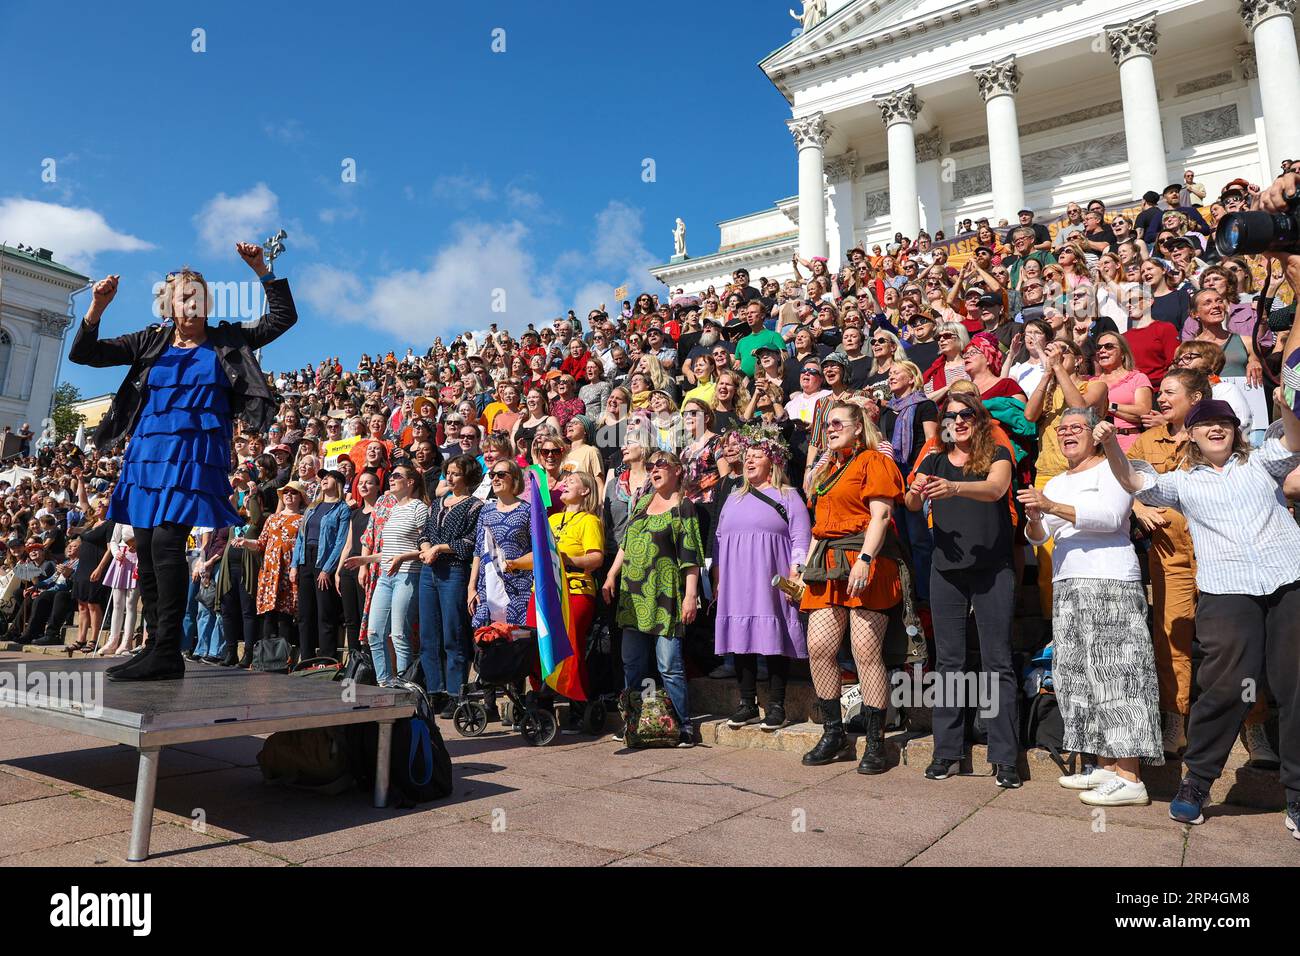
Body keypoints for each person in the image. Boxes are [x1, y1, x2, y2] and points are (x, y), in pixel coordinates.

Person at [69, 242, 295, 680]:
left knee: (168, 544)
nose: (190, 303)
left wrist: (262, 270)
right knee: (148, 551)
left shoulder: (227, 339)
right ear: (168, 304)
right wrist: (97, 307)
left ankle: (168, 648)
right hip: (147, 456)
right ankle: (157, 647)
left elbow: (282, 318)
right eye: (182, 296)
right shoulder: (149, 340)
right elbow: (86, 354)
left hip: (193, 455)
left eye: (197, 296)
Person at [1019, 407, 1163, 806]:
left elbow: (1111, 516)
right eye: (1061, 429)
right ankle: (1104, 766)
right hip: (1068, 580)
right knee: (1080, 676)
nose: (1066, 434)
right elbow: (1039, 536)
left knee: (1119, 675)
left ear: (1094, 434)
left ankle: (1131, 776)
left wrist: (1050, 506)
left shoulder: (1113, 469)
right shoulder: (1061, 480)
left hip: (1109, 578)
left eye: (1075, 428)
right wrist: (1034, 517)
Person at [906, 393, 1020, 788]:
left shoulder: (998, 453)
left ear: (979, 418)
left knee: (997, 662)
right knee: (949, 662)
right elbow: (908, 501)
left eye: (965, 413)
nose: (957, 420)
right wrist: (918, 491)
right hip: (947, 572)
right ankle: (947, 753)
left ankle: (1005, 758)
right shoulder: (934, 459)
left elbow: (994, 490)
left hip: (993, 570)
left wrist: (952, 489)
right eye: (950, 415)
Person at [799, 403, 904, 774]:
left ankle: (876, 742)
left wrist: (866, 558)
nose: (830, 429)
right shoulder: (829, 468)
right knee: (819, 647)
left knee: (865, 650)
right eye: (827, 425)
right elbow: (820, 527)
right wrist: (805, 570)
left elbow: (882, 515)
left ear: (859, 427)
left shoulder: (873, 461)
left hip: (862, 557)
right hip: (827, 562)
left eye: (838, 423)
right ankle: (834, 733)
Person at [1125, 368, 1210, 754]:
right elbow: (1124, 481)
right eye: (1158, 391)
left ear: (1196, 398)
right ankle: (1175, 723)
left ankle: (1252, 723)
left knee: (1230, 644)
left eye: (1169, 392)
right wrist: (1139, 505)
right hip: (1169, 555)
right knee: (1171, 639)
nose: (1160, 398)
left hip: (1217, 554)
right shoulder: (1146, 441)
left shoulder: (1214, 434)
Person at [712, 424, 810, 732]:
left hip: (771, 575)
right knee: (740, 639)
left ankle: (777, 704)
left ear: (773, 463)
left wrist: (796, 573)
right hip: (734, 577)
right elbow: (718, 538)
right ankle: (746, 703)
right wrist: (716, 577)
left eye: (757, 455)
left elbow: (801, 538)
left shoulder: (788, 496)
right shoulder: (732, 496)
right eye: (748, 455)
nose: (750, 460)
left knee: (774, 637)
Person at [603, 450, 703, 748]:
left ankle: (683, 725)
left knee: (668, 664)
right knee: (632, 663)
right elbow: (625, 543)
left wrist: (691, 596)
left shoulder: (683, 506)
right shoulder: (643, 502)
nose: (654, 470)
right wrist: (611, 575)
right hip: (633, 595)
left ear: (677, 471)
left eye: (661, 464)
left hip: (664, 596)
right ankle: (633, 722)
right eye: (651, 466)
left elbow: (691, 554)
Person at [344, 465, 430, 687]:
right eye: (390, 476)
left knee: (400, 634)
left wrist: (402, 558)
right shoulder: (393, 509)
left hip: (407, 575)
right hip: (385, 576)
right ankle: (384, 682)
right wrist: (365, 560)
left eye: (397, 476)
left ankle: (405, 684)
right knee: (374, 632)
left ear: (410, 482)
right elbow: (390, 552)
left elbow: (425, 549)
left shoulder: (419, 508)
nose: (391, 479)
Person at [415, 455, 483, 715]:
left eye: (455, 473)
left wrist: (439, 548)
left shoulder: (476, 506)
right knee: (429, 635)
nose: (450, 477)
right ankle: (435, 691)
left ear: (467, 476)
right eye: (448, 473)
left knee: (453, 634)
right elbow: (425, 532)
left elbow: (470, 542)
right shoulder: (437, 503)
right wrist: (425, 548)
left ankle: (456, 692)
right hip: (429, 570)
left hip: (453, 570)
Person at [234, 481, 307, 664]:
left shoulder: (303, 518)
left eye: (293, 493)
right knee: (268, 616)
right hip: (270, 571)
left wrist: (295, 567)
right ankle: (266, 658)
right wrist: (245, 542)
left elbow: (302, 546)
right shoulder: (273, 518)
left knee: (285, 616)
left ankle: (283, 659)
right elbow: (261, 543)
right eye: (286, 493)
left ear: (300, 497)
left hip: (288, 571)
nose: (289, 495)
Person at [290, 469, 351, 661]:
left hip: (324, 560)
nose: (324, 479)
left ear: (338, 483)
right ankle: (306, 657)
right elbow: (300, 537)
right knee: (304, 613)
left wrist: (327, 568)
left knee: (325, 611)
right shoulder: (312, 507)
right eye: (323, 477)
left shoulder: (342, 509)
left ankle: (327, 658)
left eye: (329, 477)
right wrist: (294, 565)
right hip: (305, 559)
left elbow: (341, 542)